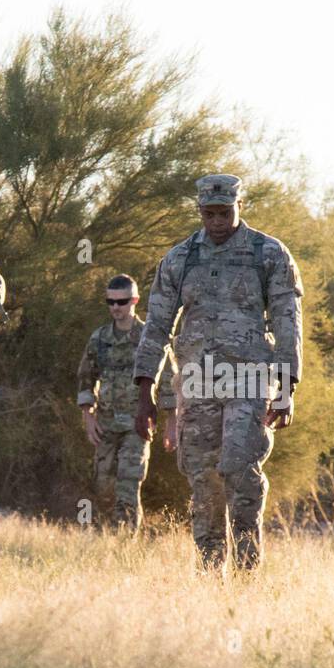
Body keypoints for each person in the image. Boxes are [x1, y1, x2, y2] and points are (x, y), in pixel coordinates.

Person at [132, 174, 303, 570]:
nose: (217, 222)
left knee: (240, 467)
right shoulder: (180, 258)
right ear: (199, 212)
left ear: (239, 207)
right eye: (209, 214)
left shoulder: (269, 253)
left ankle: (247, 568)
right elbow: (156, 325)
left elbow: (287, 321)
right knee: (202, 476)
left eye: (224, 213)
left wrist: (286, 387)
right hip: (196, 381)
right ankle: (210, 571)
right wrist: (145, 395)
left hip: (250, 379)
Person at [78, 274, 176, 532]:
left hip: (138, 424)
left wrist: (171, 424)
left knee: (128, 483)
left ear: (134, 301)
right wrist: (88, 417)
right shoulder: (99, 339)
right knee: (103, 485)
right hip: (106, 424)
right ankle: (106, 537)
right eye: (110, 302)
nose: (115, 308)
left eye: (121, 302)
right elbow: (85, 378)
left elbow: (168, 381)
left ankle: (125, 542)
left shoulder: (149, 339)